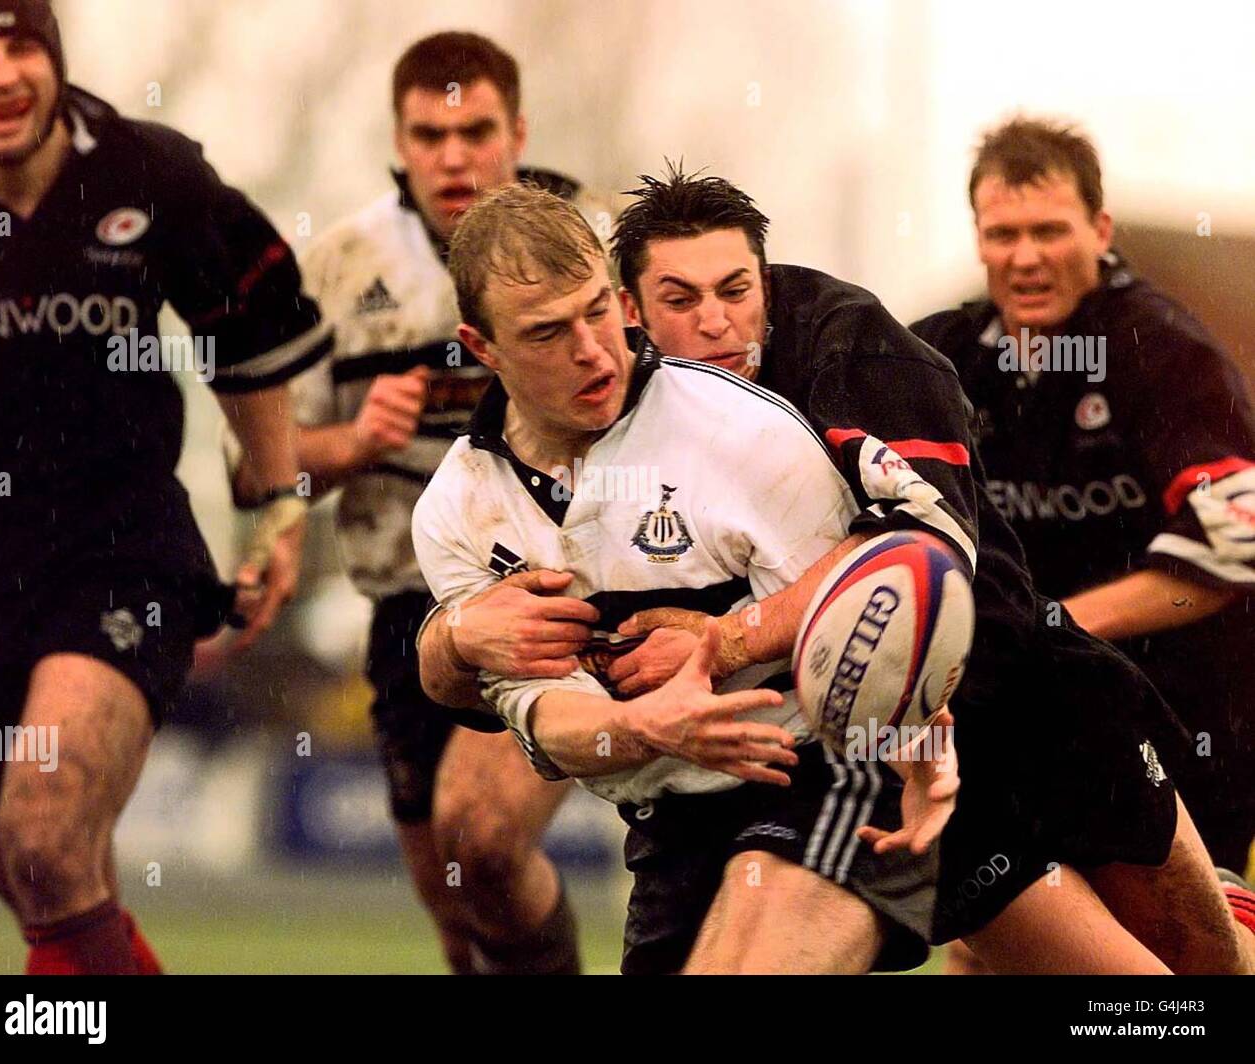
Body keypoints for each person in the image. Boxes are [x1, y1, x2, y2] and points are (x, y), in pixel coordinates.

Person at [419, 165, 1255, 974]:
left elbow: (919, 563)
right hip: (843, 752)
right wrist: (455, 639)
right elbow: (516, 700)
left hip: (1008, 705)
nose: (714, 322)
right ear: (640, 304)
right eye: (680, 299)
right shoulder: (473, 498)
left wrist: (722, 639)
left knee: (1202, 969)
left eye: (736, 290)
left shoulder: (841, 365)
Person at [412, 181, 947, 975]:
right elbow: (543, 717)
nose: (592, 349)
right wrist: (646, 728)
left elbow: (897, 582)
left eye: (598, 310)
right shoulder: (461, 510)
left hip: (830, 778)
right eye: (548, 332)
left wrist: (730, 645)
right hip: (669, 821)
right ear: (482, 347)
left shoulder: (743, 430)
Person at [0, 0, 326, 974]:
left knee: (44, 831)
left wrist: (280, 504)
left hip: (118, 551)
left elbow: (248, 331)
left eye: (19, 48)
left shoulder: (147, 172)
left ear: (54, 58)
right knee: (40, 879)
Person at [274, 32, 613, 974]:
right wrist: (354, 443)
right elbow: (266, 469)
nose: (454, 156)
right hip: (408, 605)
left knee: (487, 839)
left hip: (566, 594)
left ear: (520, 131)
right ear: (400, 138)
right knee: (456, 902)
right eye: (430, 135)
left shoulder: (597, 241)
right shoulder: (340, 269)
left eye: (476, 131)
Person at [910, 117, 1255, 878]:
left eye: (1049, 230)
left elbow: (1236, 549)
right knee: (996, 938)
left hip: (1189, 728)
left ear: (1100, 228)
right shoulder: (949, 357)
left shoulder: (1165, 352)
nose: (1026, 257)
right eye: (1003, 234)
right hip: (1032, 723)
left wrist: (1048, 633)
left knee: (1187, 963)